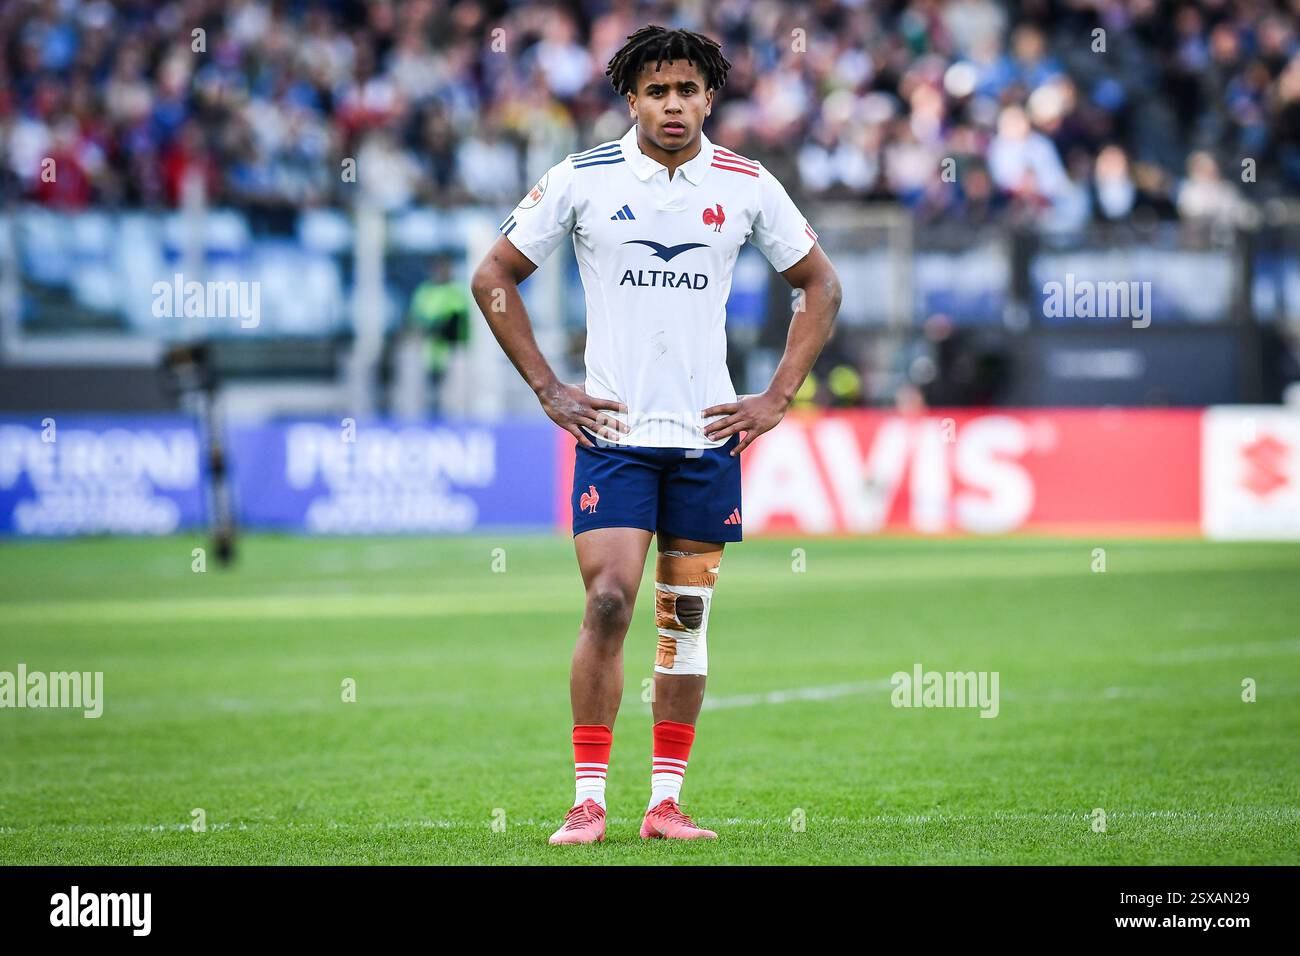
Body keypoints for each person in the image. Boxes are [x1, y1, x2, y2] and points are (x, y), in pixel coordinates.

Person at [470, 24, 841, 845]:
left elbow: (819, 285)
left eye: (688, 89)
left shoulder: (745, 183)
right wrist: (548, 388)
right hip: (615, 432)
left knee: (685, 620)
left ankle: (665, 803)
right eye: (657, 90)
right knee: (608, 602)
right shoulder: (581, 179)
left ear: (710, 96)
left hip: (709, 437)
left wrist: (777, 397)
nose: (673, 104)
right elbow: (492, 276)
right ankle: (589, 798)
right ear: (631, 98)